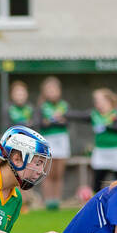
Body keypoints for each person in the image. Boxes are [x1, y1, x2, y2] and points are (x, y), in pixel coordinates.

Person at [68, 88, 117, 192]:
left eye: (99, 99)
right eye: (95, 100)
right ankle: (97, 203)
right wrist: (64, 115)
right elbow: (79, 115)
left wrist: (108, 126)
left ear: (108, 100)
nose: (96, 102)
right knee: (98, 180)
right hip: (101, 151)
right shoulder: (94, 114)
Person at [36, 77, 69, 209]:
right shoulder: (42, 106)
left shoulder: (64, 105)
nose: (52, 92)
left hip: (61, 138)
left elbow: (68, 121)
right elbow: (38, 123)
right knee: (47, 171)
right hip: (48, 138)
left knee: (58, 172)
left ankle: (57, 200)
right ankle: (48, 201)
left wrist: (62, 121)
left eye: (54, 89)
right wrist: (47, 122)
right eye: (49, 89)